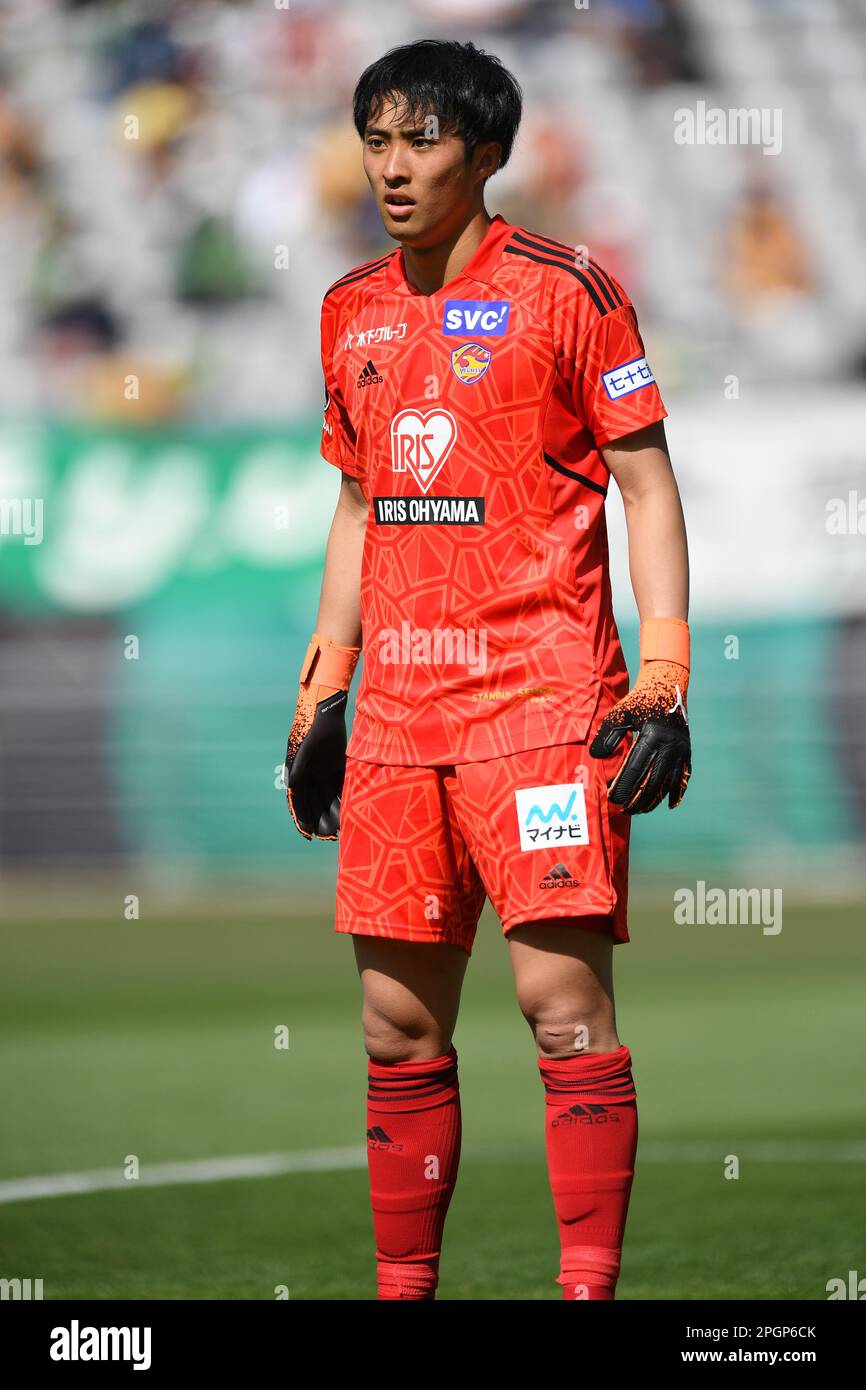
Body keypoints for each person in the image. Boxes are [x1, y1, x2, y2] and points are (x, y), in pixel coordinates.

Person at [284, 38, 691, 1302]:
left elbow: (645, 484)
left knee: (559, 1006)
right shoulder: (348, 307)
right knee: (394, 1028)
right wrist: (323, 686)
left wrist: (662, 674)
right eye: (376, 138)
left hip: (540, 703)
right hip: (399, 722)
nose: (392, 167)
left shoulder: (569, 292)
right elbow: (357, 508)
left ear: (488, 153)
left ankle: (586, 1292)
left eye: (421, 140)